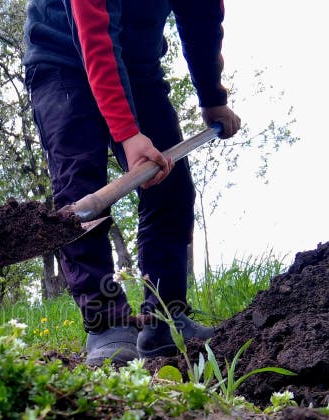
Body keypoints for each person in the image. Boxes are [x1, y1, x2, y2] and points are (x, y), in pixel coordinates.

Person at [23, 0, 241, 366]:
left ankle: (164, 320)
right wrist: (127, 133)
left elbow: (201, 17)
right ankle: (107, 324)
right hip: (62, 54)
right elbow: (94, 31)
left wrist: (212, 97)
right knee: (80, 189)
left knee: (170, 184)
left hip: (138, 65)